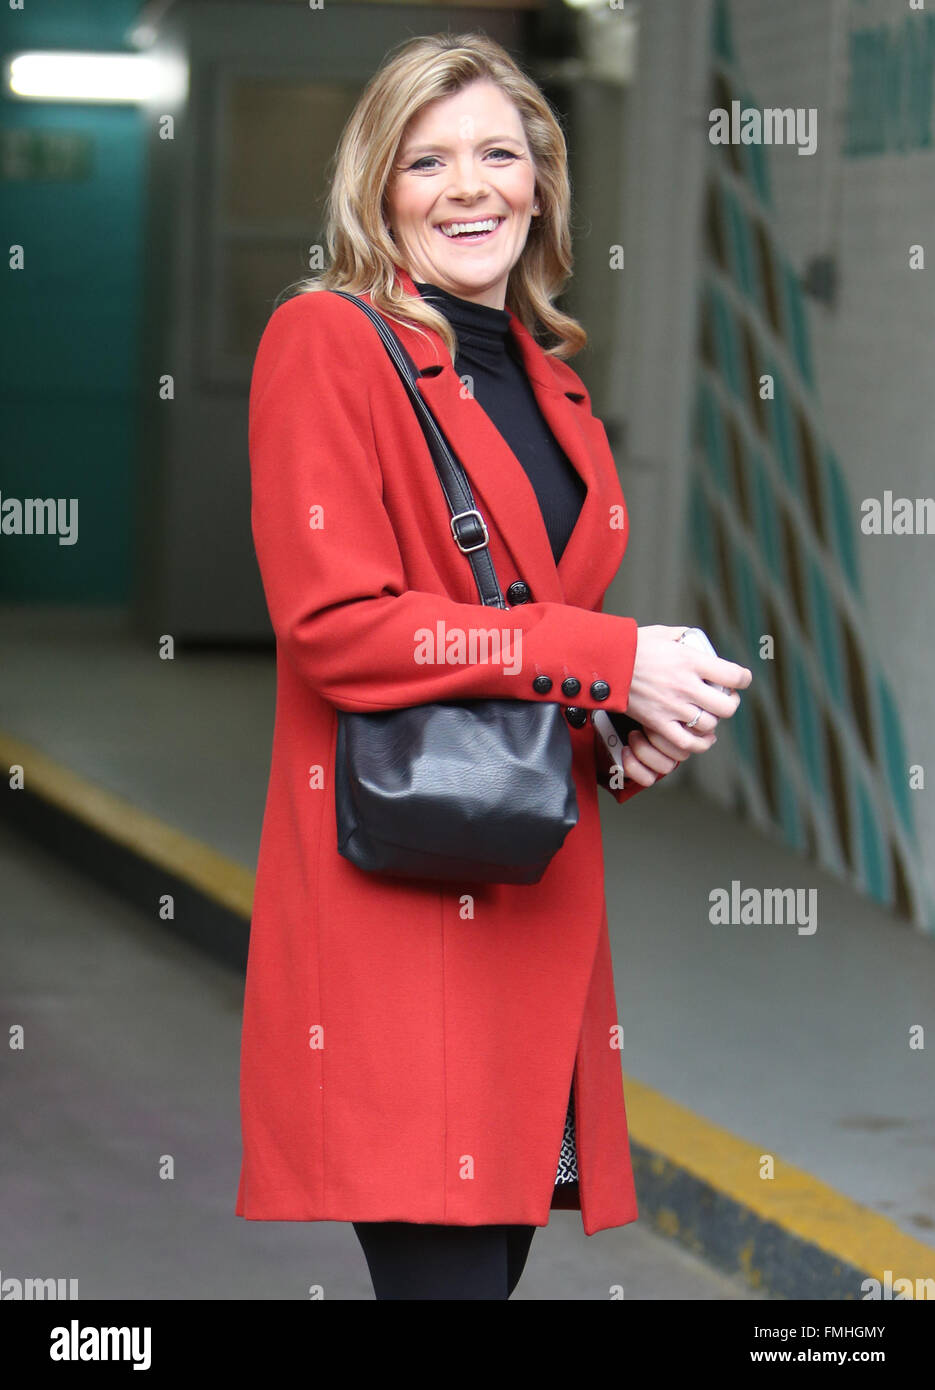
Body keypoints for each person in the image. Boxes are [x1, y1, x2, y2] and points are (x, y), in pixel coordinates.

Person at [236, 31, 752, 1301]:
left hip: (522, 881)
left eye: (497, 155)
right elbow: (337, 625)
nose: (468, 187)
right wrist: (604, 656)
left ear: (541, 183)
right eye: (427, 160)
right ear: (378, 187)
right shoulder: (326, 343)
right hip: (399, 905)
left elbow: (519, 643)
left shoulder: (550, 384)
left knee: (486, 1273)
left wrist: (624, 730)